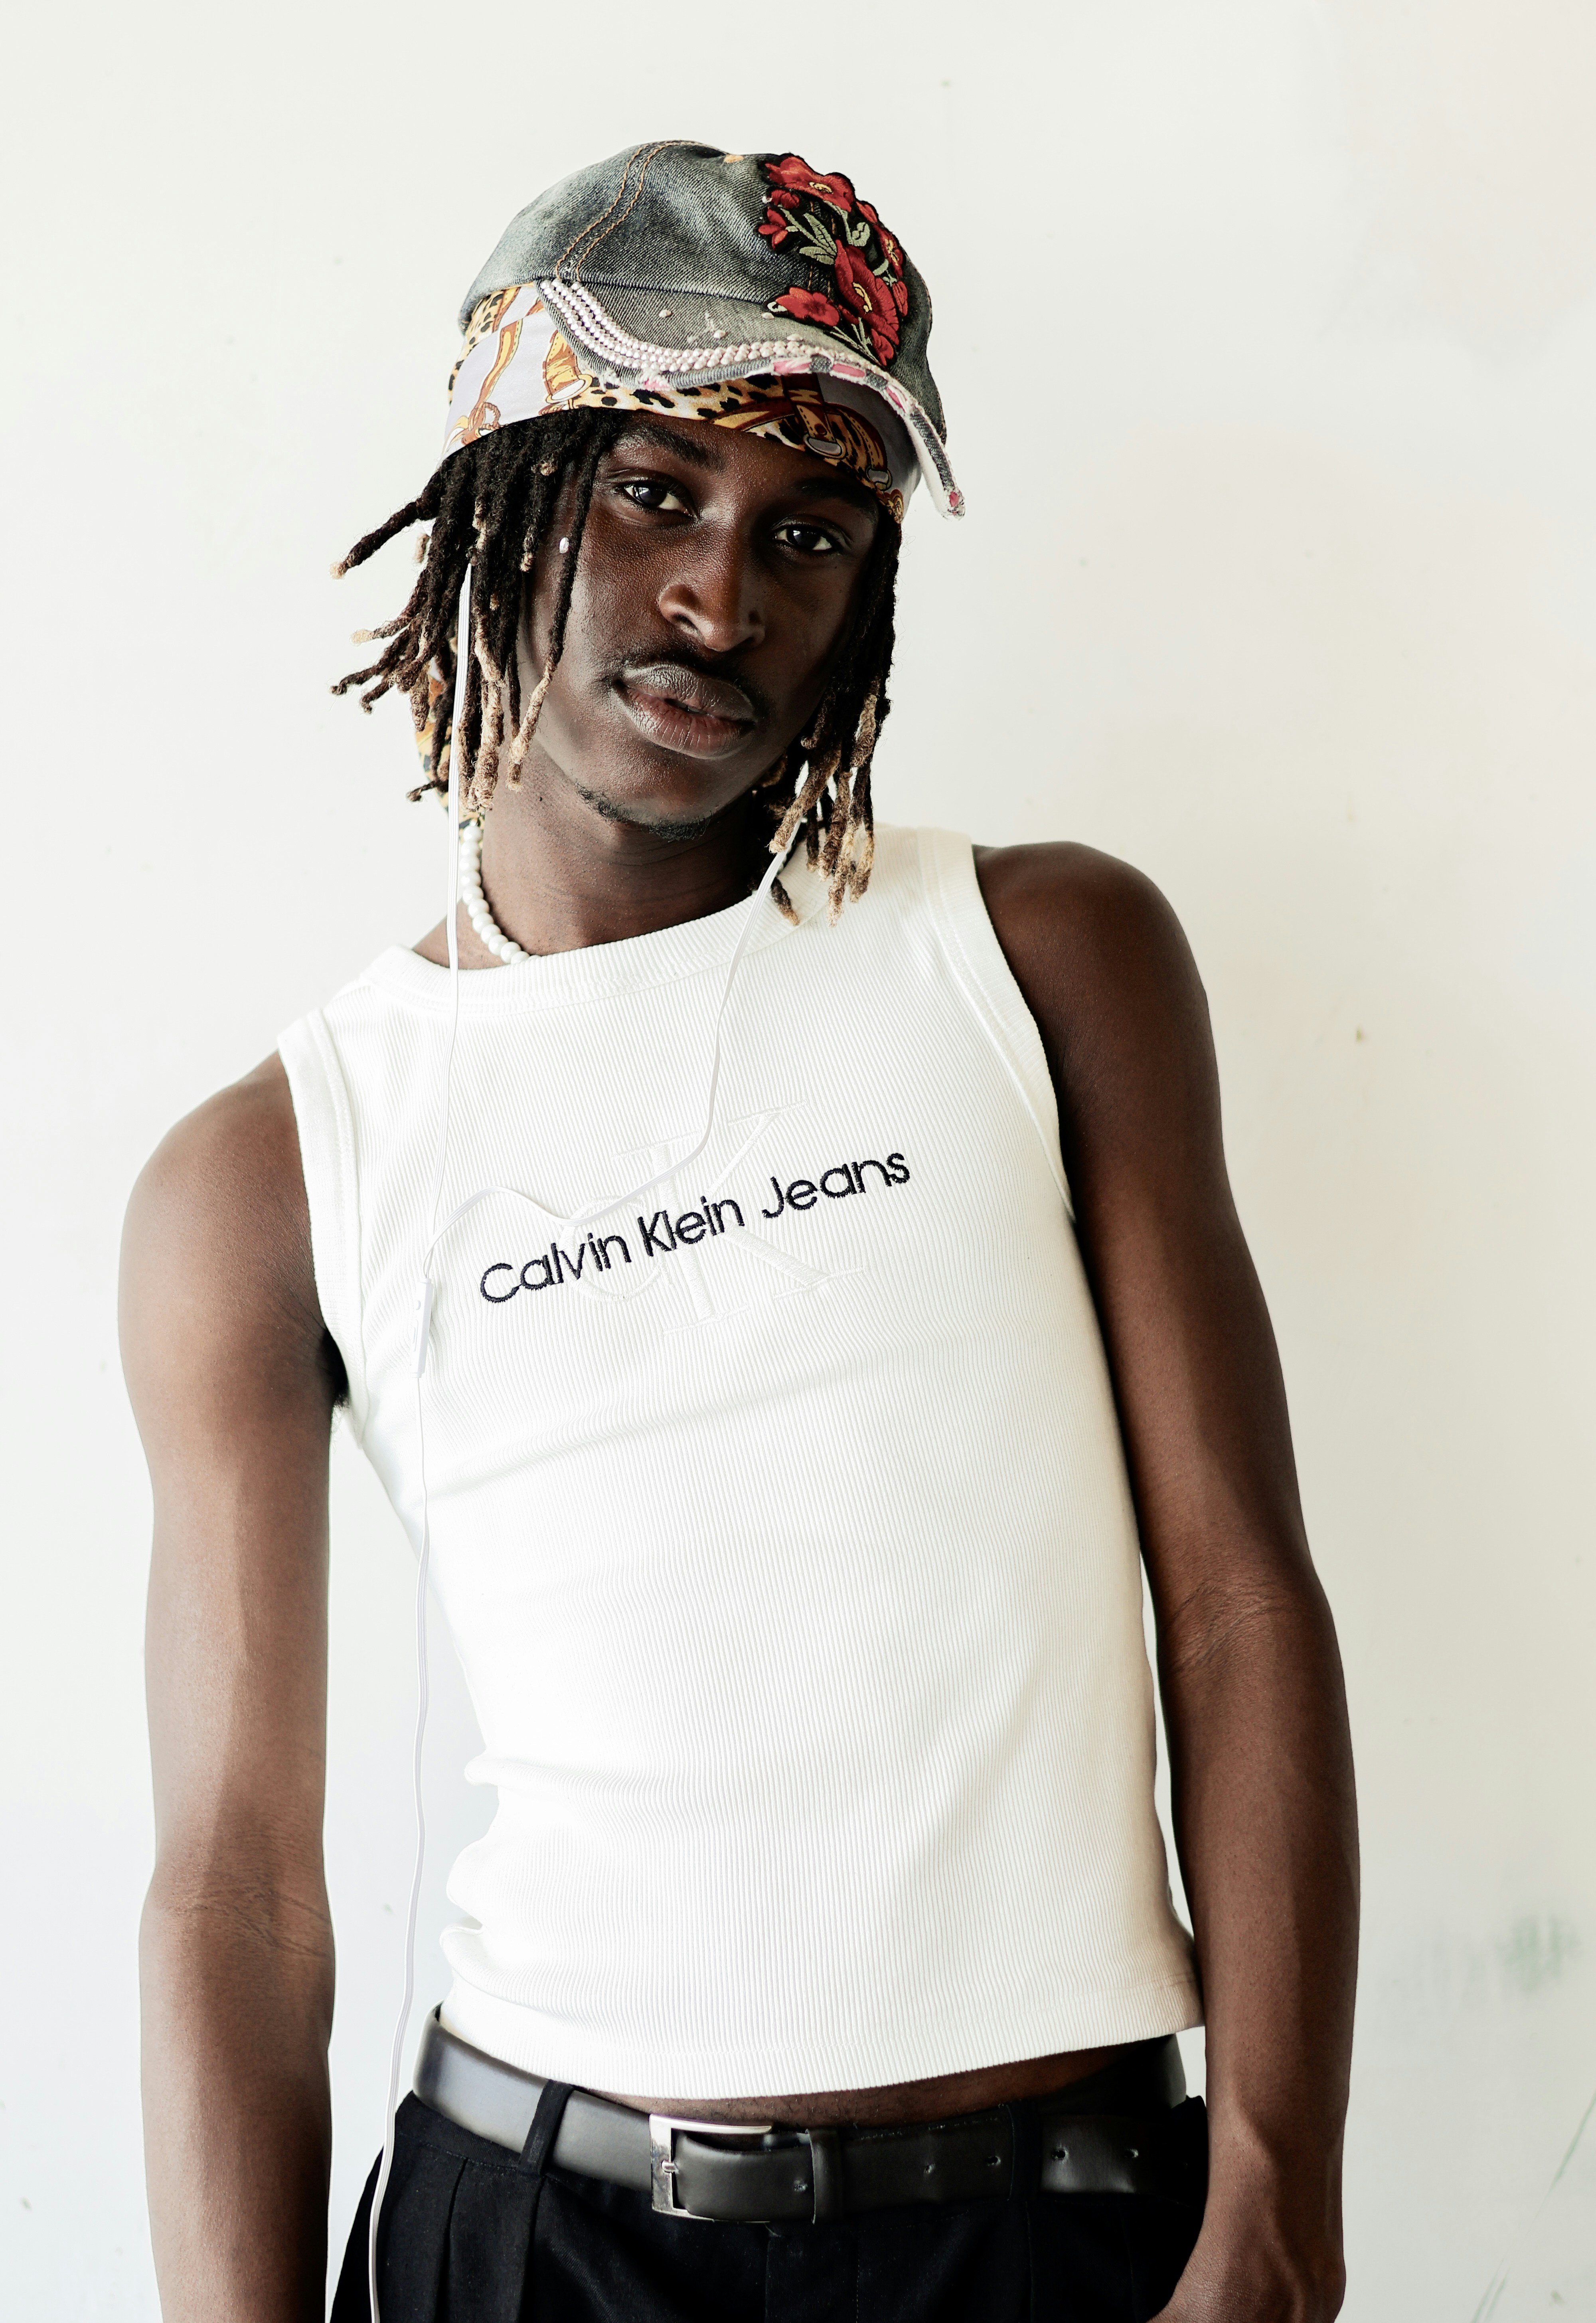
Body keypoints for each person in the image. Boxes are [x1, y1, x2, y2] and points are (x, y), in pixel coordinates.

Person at [122, 140, 1357, 2323]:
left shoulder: (1035, 952)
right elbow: (236, 1880)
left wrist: (1269, 2212)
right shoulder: (278, 1165)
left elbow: (1239, 1604)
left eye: (812, 533)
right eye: (654, 491)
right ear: (503, 483)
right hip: (541, 2236)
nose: (724, 597)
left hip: (1053, 2226)